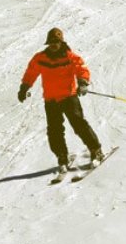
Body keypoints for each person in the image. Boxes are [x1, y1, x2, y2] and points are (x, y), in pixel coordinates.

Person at [17, 28, 104, 172]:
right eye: (51, 42)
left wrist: (82, 82)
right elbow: (31, 72)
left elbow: (81, 68)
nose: (53, 45)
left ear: (61, 42)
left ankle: (96, 150)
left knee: (79, 125)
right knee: (54, 131)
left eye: (56, 42)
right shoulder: (40, 58)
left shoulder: (70, 57)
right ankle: (62, 157)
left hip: (69, 97)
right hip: (51, 100)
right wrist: (24, 88)